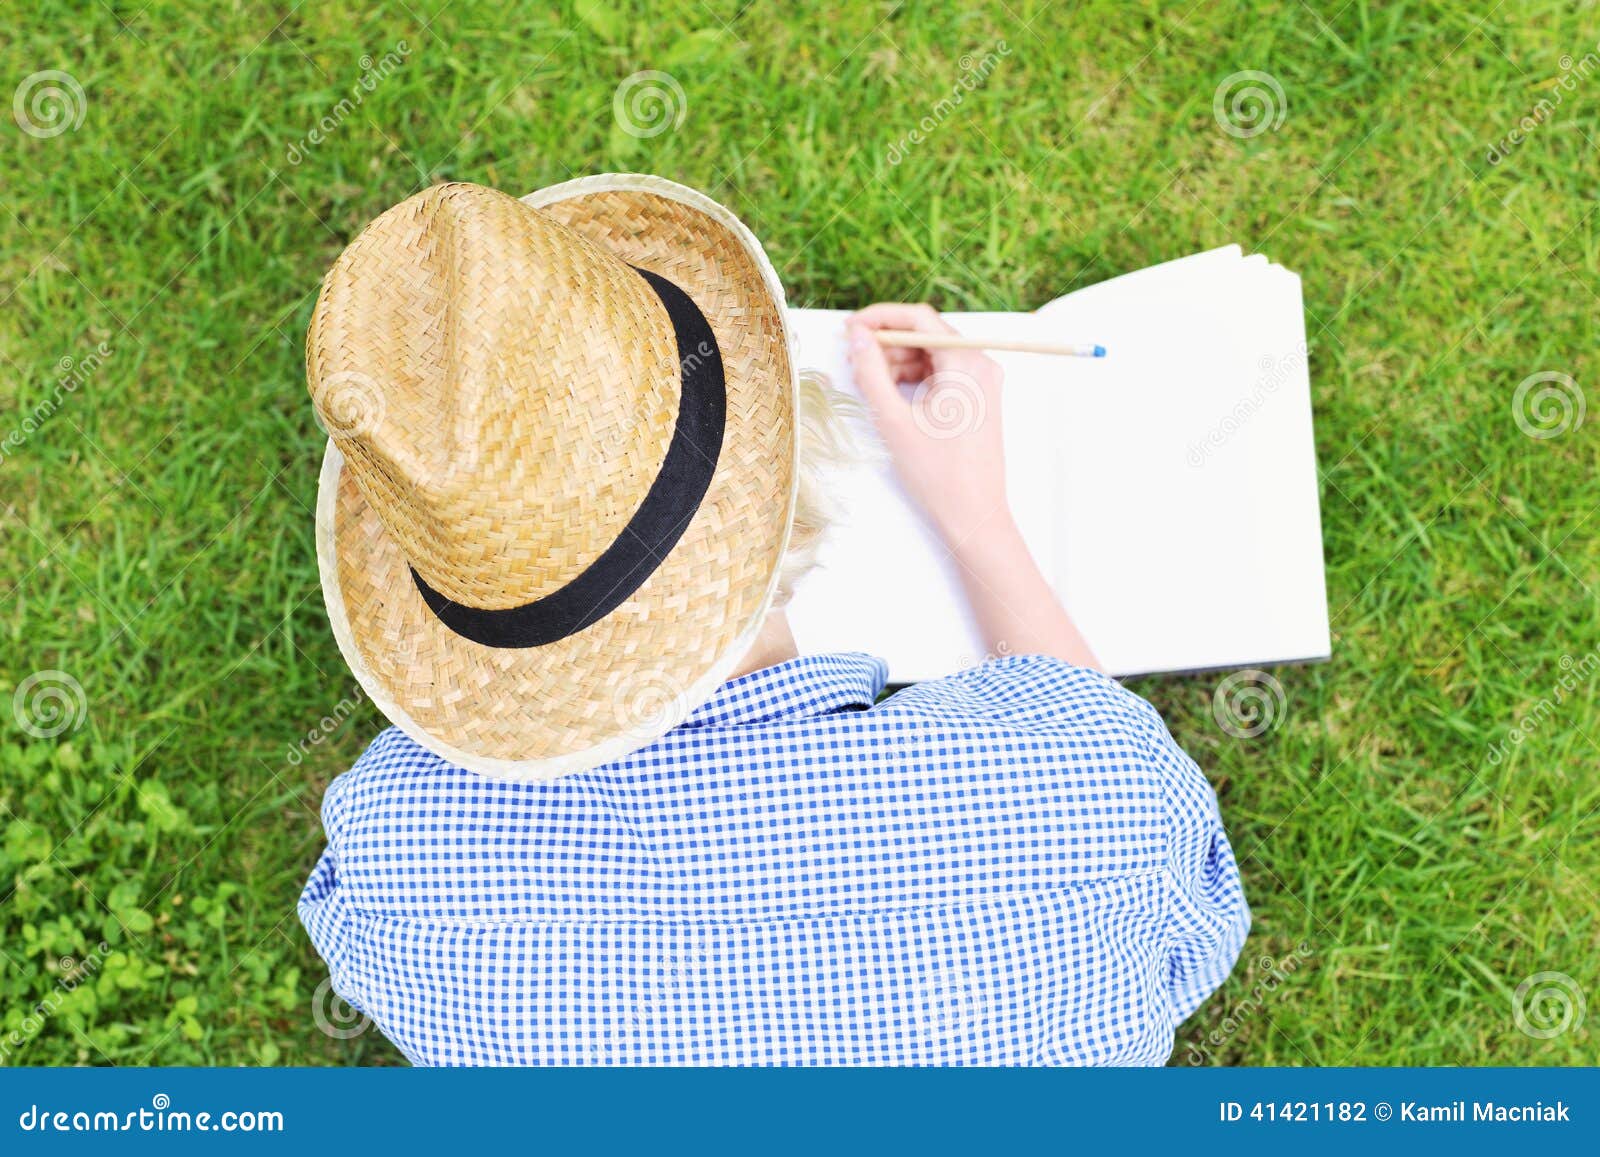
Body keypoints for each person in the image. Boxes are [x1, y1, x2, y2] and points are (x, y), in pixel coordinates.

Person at [299, 174, 1247, 1066]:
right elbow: (1174, 903)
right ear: (781, 477)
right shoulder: (1102, 800)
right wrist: (979, 520)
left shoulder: (399, 852)